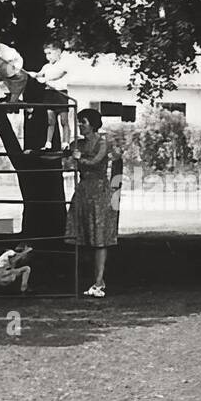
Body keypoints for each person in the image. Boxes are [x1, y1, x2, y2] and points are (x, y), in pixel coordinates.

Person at [65, 108, 118, 297]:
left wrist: (80, 159)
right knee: (83, 236)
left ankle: (98, 281)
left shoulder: (103, 142)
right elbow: (63, 158)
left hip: (99, 192)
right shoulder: (77, 144)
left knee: (100, 237)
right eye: (79, 122)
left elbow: (96, 160)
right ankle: (92, 279)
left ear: (92, 124)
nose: (80, 125)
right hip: (83, 191)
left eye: (83, 122)